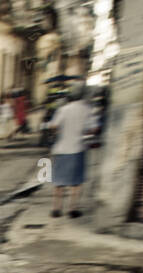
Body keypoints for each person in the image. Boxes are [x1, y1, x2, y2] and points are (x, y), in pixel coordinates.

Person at [48, 85, 93, 218]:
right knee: (76, 182)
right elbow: (92, 128)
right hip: (77, 148)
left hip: (61, 149)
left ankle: (56, 209)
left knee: (58, 181)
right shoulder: (86, 110)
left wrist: (59, 132)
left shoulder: (63, 109)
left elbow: (53, 126)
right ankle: (72, 209)